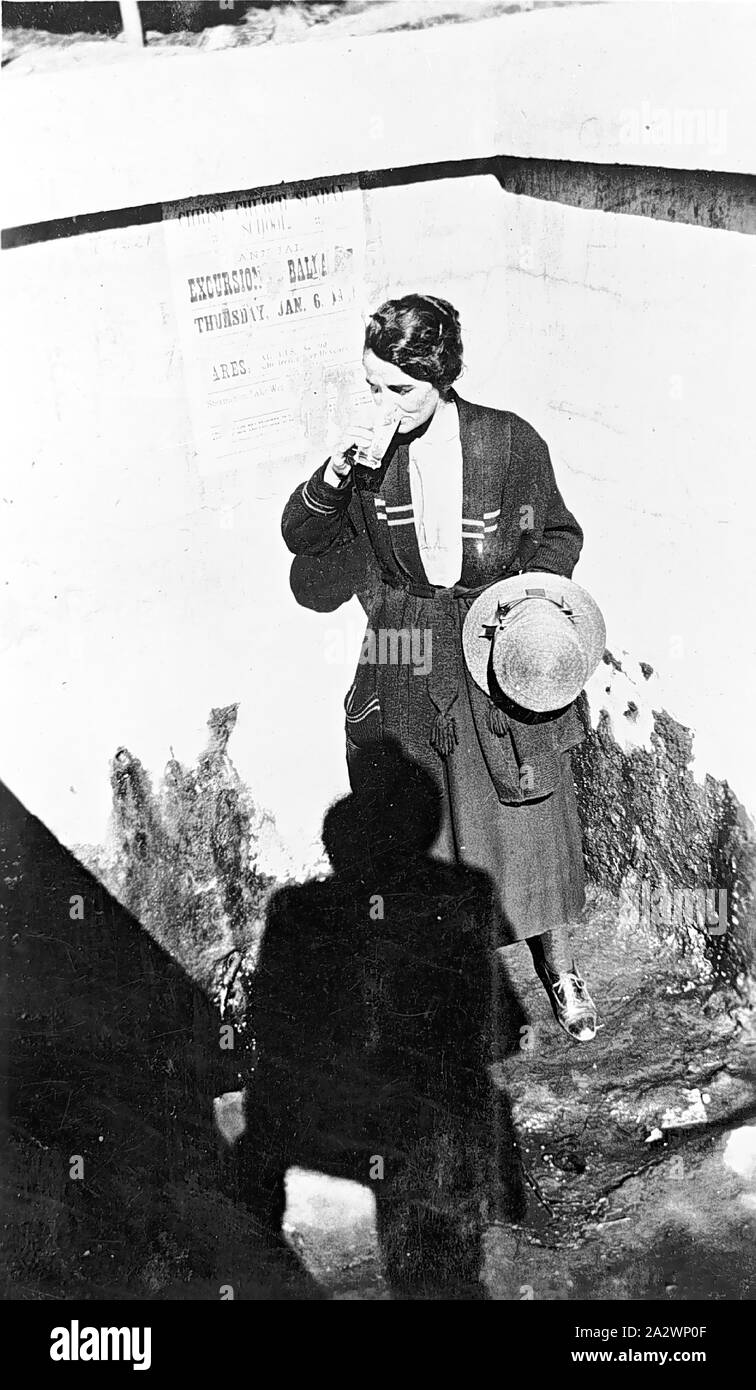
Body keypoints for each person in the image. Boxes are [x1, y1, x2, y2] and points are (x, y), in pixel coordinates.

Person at [282, 293, 598, 1042]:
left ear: (442, 375)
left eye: (400, 389)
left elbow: (558, 532)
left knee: (529, 807)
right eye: (373, 387)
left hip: (494, 636)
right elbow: (300, 537)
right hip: (413, 640)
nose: (384, 405)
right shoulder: (368, 460)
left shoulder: (507, 441)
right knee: (429, 819)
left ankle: (559, 968)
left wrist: (525, 608)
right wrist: (336, 469)